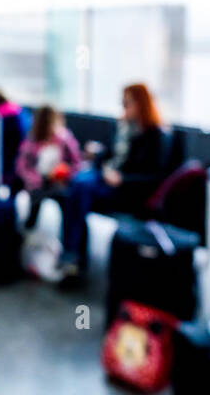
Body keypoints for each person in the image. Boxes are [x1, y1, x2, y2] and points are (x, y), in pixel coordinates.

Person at [58, 83, 181, 275]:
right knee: (75, 186)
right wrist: (98, 157)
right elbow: (108, 155)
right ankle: (72, 254)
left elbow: (156, 177)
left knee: (79, 190)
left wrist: (122, 179)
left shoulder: (156, 135)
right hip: (106, 177)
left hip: (126, 188)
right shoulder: (122, 128)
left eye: (127, 103)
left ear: (141, 104)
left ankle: (71, 255)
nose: (123, 107)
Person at [16, 105, 82, 229]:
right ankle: (28, 227)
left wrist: (65, 174)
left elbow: (76, 162)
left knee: (68, 203)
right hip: (38, 182)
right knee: (35, 199)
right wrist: (36, 179)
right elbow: (22, 165)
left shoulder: (64, 138)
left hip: (59, 183)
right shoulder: (31, 140)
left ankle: (69, 237)